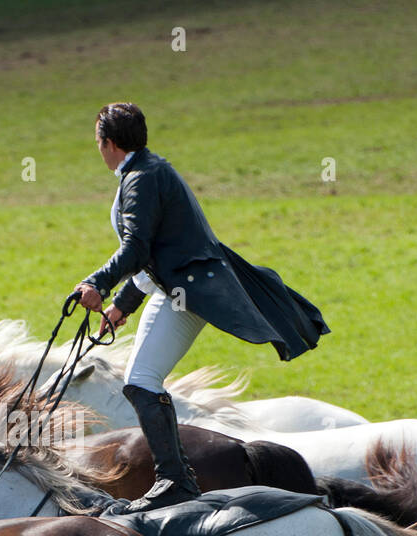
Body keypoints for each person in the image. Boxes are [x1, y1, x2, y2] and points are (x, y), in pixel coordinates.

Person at [75, 102, 330, 514]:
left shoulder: (142, 178)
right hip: (172, 288)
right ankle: (175, 478)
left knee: (141, 381)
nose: (98, 150)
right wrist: (122, 304)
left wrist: (96, 283)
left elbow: (137, 248)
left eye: (98, 142)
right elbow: (156, 252)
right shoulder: (146, 171)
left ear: (108, 143)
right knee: (140, 381)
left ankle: (175, 480)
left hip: (185, 292)